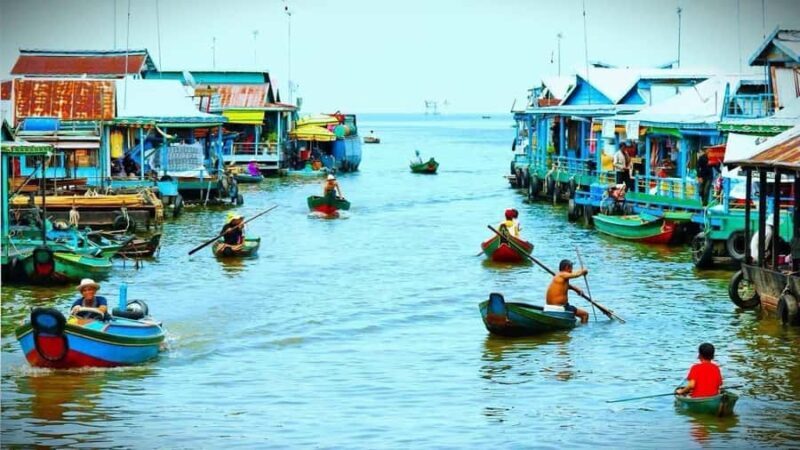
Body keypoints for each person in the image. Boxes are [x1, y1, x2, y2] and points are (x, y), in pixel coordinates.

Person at [545, 259, 590, 324]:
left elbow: (565, 286)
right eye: (571, 268)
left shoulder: (559, 276)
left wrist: (576, 289)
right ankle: (583, 329)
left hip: (556, 306)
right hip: (560, 307)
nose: (572, 270)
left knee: (575, 310)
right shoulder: (562, 274)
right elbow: (576, 275)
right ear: (567, 267)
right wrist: (583, 271)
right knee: (585, 315)